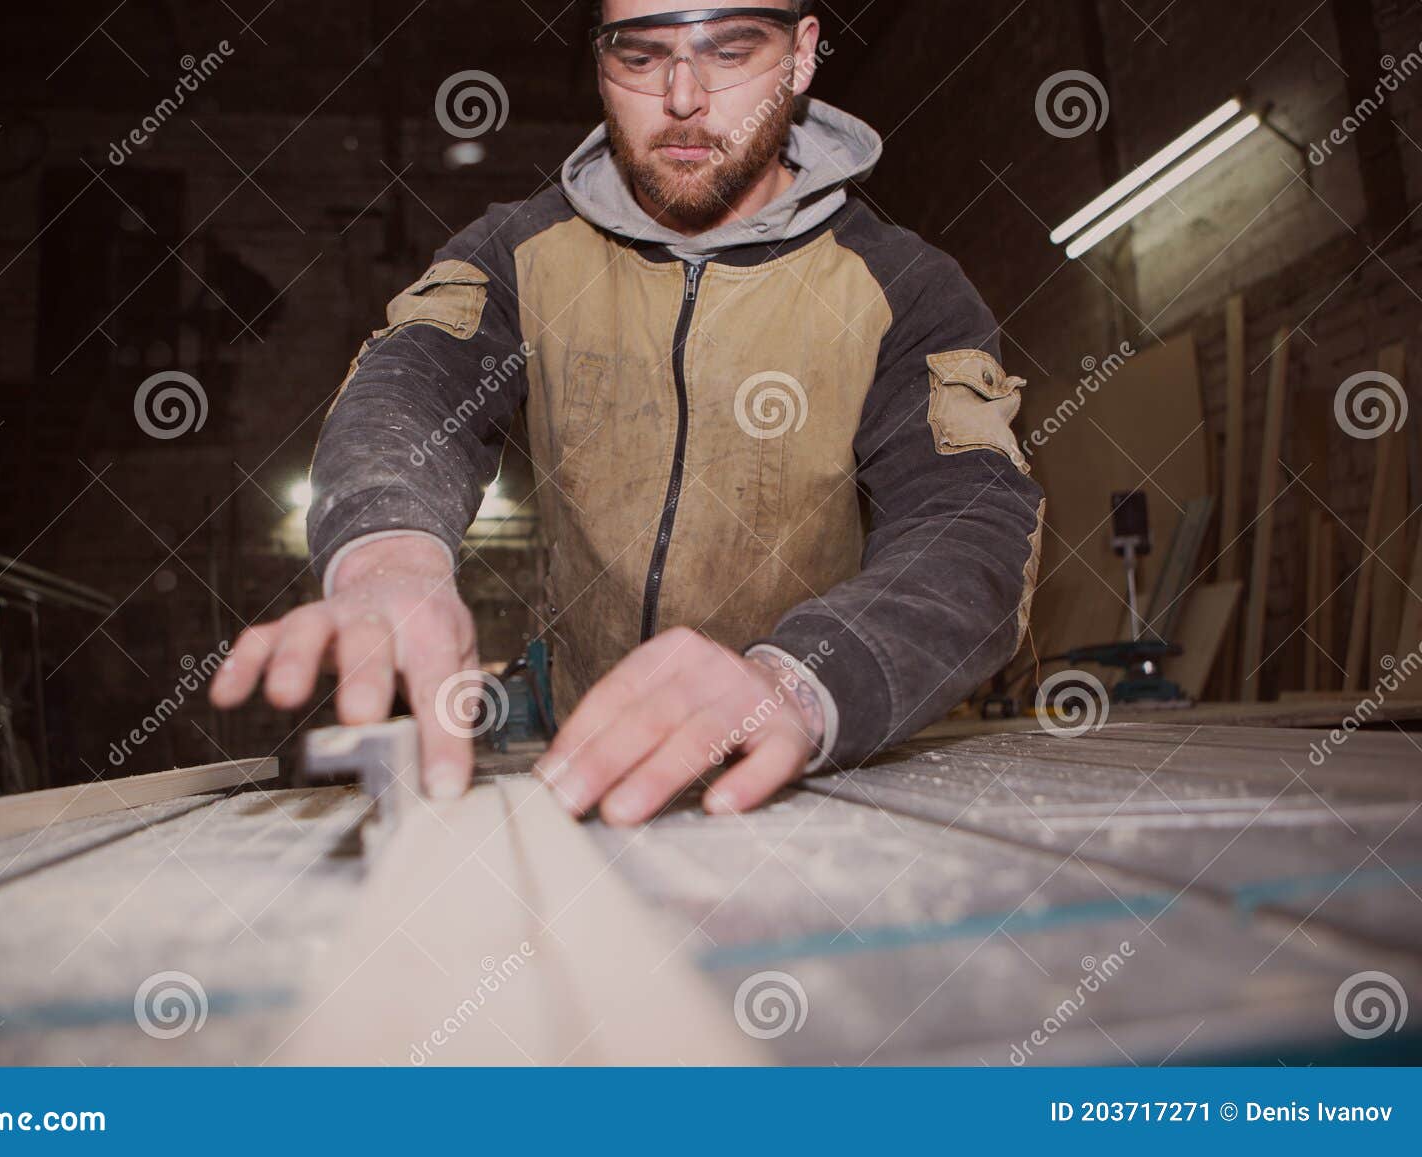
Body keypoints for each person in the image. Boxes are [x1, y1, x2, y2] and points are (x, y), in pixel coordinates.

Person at [209, 0, 1045, 825]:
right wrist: (386, 555)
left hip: (802, 758)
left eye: (729, 50)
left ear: (800, 55)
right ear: (600, 66)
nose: (683, 97)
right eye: (641, 57)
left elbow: (967, 523)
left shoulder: (906, 288)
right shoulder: (516, 254)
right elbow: (415, 384)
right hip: (565, 731)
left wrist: (794, 683)